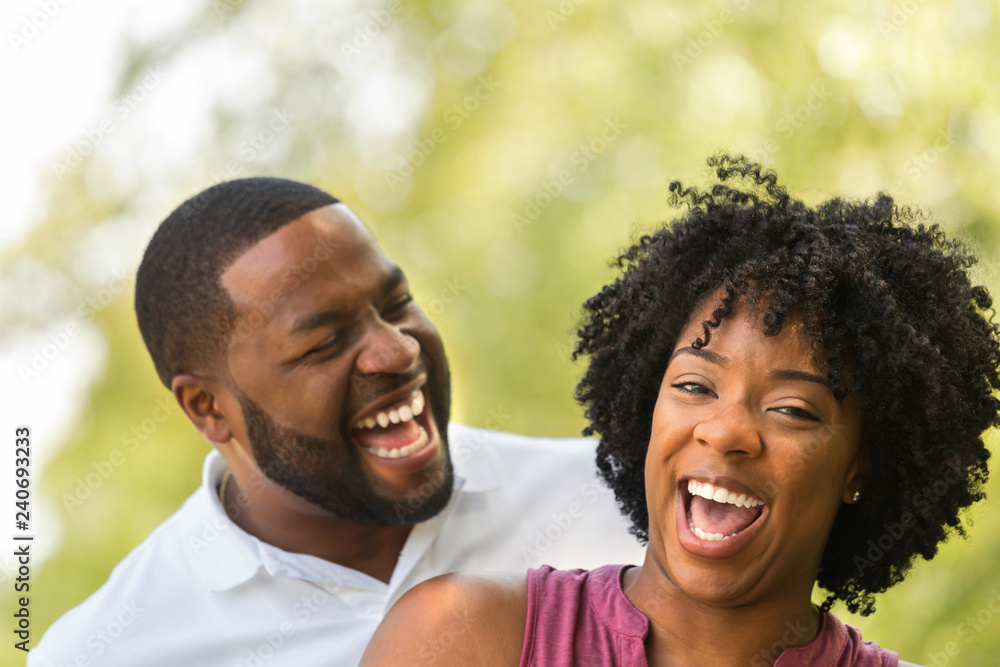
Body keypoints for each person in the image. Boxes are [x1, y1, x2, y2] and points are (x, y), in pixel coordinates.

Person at [361, 155, 999, 666]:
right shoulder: (462, 640)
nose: (725, 433)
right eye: (695, 386)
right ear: (646, 409)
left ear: (863, 464)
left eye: (793, 409)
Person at [30, 178, 645, 666]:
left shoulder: (620, 500)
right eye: (323, 343)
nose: (397, 351)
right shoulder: (108, 650)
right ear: (208, 409)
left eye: (396, 305)